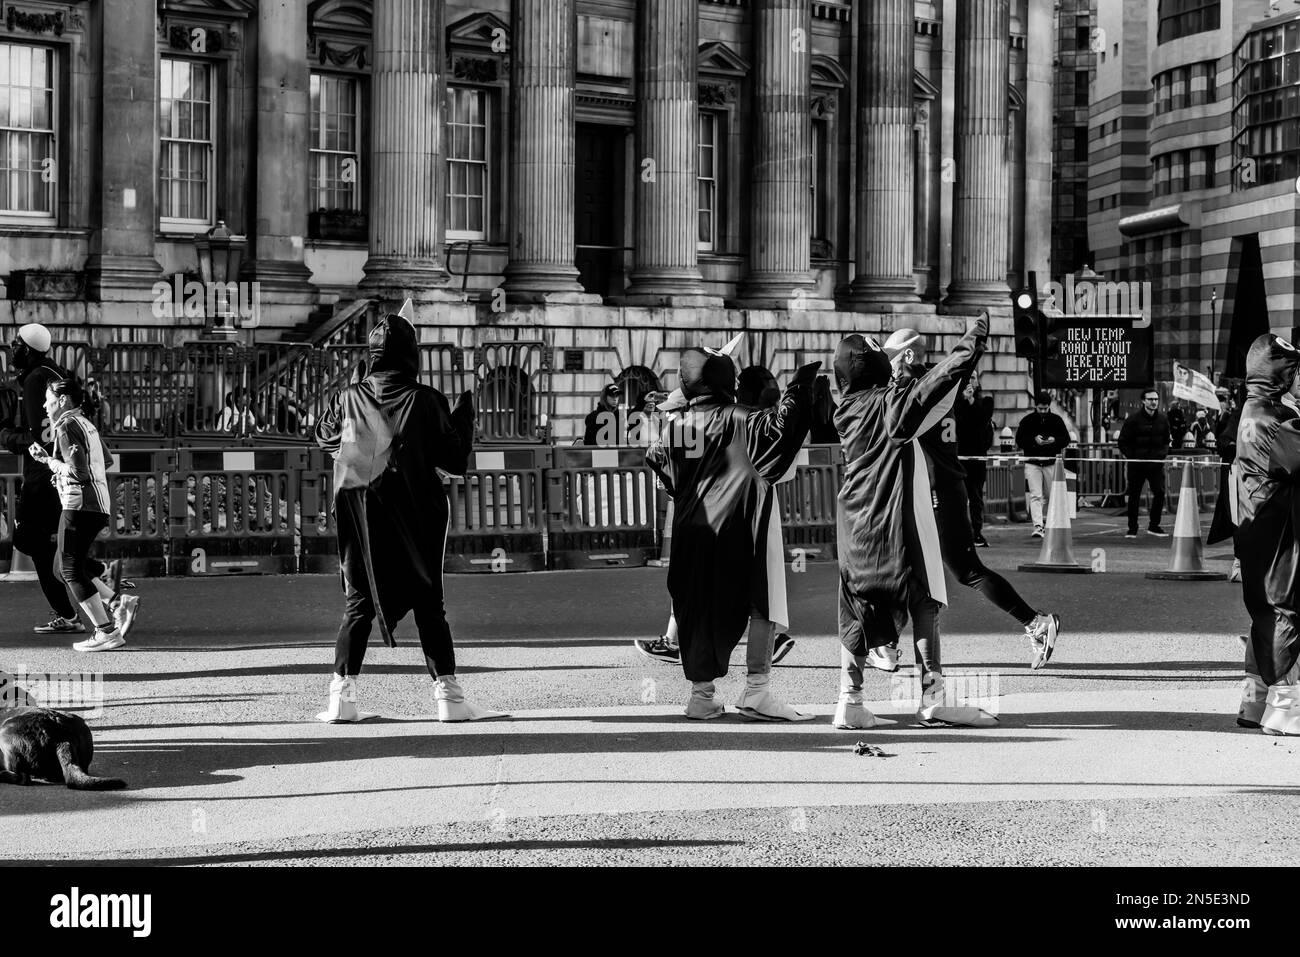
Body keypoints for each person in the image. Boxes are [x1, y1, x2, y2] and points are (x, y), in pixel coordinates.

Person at [313, 308, 504, 724]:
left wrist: (359, 385)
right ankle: (448, 697)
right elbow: (453, 459)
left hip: (360, 510)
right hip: (416, 510)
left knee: (359, 600)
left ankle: (341, 697)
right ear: (411, 355)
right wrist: (464, 414)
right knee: (427, 600)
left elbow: (326, 436)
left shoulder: (348, 398)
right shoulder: (425, 400)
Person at [832, 319, 998, 731]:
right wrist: (970, 344)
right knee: (925, 601)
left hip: (854, 522)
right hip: (894, 519)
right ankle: (932, 697)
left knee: (856, 608)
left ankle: (849, 701)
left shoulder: (845, 409)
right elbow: (933, 386)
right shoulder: (890, 404)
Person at [645, 347, 819, 721]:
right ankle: (757, 691)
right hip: (740, 528)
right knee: (761, 603)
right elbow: (783, 435)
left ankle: (701, 695)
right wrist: (800, 386)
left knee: (697, 608)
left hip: (691, 531)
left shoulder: (674, 426)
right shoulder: (744, 419)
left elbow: (662, 469)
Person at [879, 324, 1061, 672]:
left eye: (890, 358)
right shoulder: (935, 384)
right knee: (904, 564)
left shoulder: (915, 387)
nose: (888, 366)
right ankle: (888, 641)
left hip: (939, 489)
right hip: (932, 488)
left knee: (965, 570)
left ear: (908, 355)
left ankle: (1036, 622)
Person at [29, 377, 140, 651]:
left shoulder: (66, 426)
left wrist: (49, 462)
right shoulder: (86, 424)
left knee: (69, 571)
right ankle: (116, 603)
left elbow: (79, 472)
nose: (44, 405)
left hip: (79, 506)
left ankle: (106, 631)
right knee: (63, 567)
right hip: (96, 505)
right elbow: (106, 460)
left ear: (63, 400)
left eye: (48, 399)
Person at [1230, 335, 1300, 734]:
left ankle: (1256, 698)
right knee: (1285, 612)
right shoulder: (1274, 420)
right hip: (1278, 526)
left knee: (1264, 613)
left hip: (1253, 522)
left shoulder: (1251, 411)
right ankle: (1286, 706)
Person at [0, 324, 83, 634]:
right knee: (50, 544)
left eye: (16, 345)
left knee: (30, 540)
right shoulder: (55, 372)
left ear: (27, 350)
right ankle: (82, 603)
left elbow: (41, 440)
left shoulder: (36, 381)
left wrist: (6, 434)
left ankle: (100, 589)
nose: (11, 349)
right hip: (59, 474)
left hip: (44, 476)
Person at [1015, 392, 1070, 538]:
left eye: (1045, 409)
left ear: (1049, 406)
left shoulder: (1057, 420)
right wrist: (1034, 440)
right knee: (1036, 495)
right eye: (1041, 409)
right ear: (1035, 406)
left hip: (1051, 462)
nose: (1043, 411)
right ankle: (1038, 526)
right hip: (1033, 463)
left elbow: (1066, 439)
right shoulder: (1027, 421)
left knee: (1051, 495)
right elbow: (1019, 440)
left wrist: (1054, 440)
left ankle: (1050, 522)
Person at [1118, 388, 1171, 538]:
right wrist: (1133, 457)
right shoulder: (1132, 420)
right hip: (1137, 465)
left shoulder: (1163, 419)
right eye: (1150, 399)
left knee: (1160, 493)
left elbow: (1166, 442)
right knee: (1134, 496)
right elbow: (1122, 442)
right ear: (1143, 401)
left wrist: (1160, 456)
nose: (1154, 402)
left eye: (1155, 399)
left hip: (1155, 465)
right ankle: (1132, 529)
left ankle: (1154, 526)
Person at [1209, 384, 1245, 582]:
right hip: (1240, 475)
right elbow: (1224, 442)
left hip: (1267, 476)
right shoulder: (1240, 415)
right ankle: (1239, 562)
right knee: (1240, 519)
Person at [955, 380, 994, 547]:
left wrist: (971, 401)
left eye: (974, 377)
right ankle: (960, 533)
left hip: (977, 458)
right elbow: (958, 420)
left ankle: (977, 532)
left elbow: (982, 420)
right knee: (959, 498)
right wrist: (964, 400)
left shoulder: (986, 402)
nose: (971, 381)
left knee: (976, 497)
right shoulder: (956, 402)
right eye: (968, 377)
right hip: (959, 456)